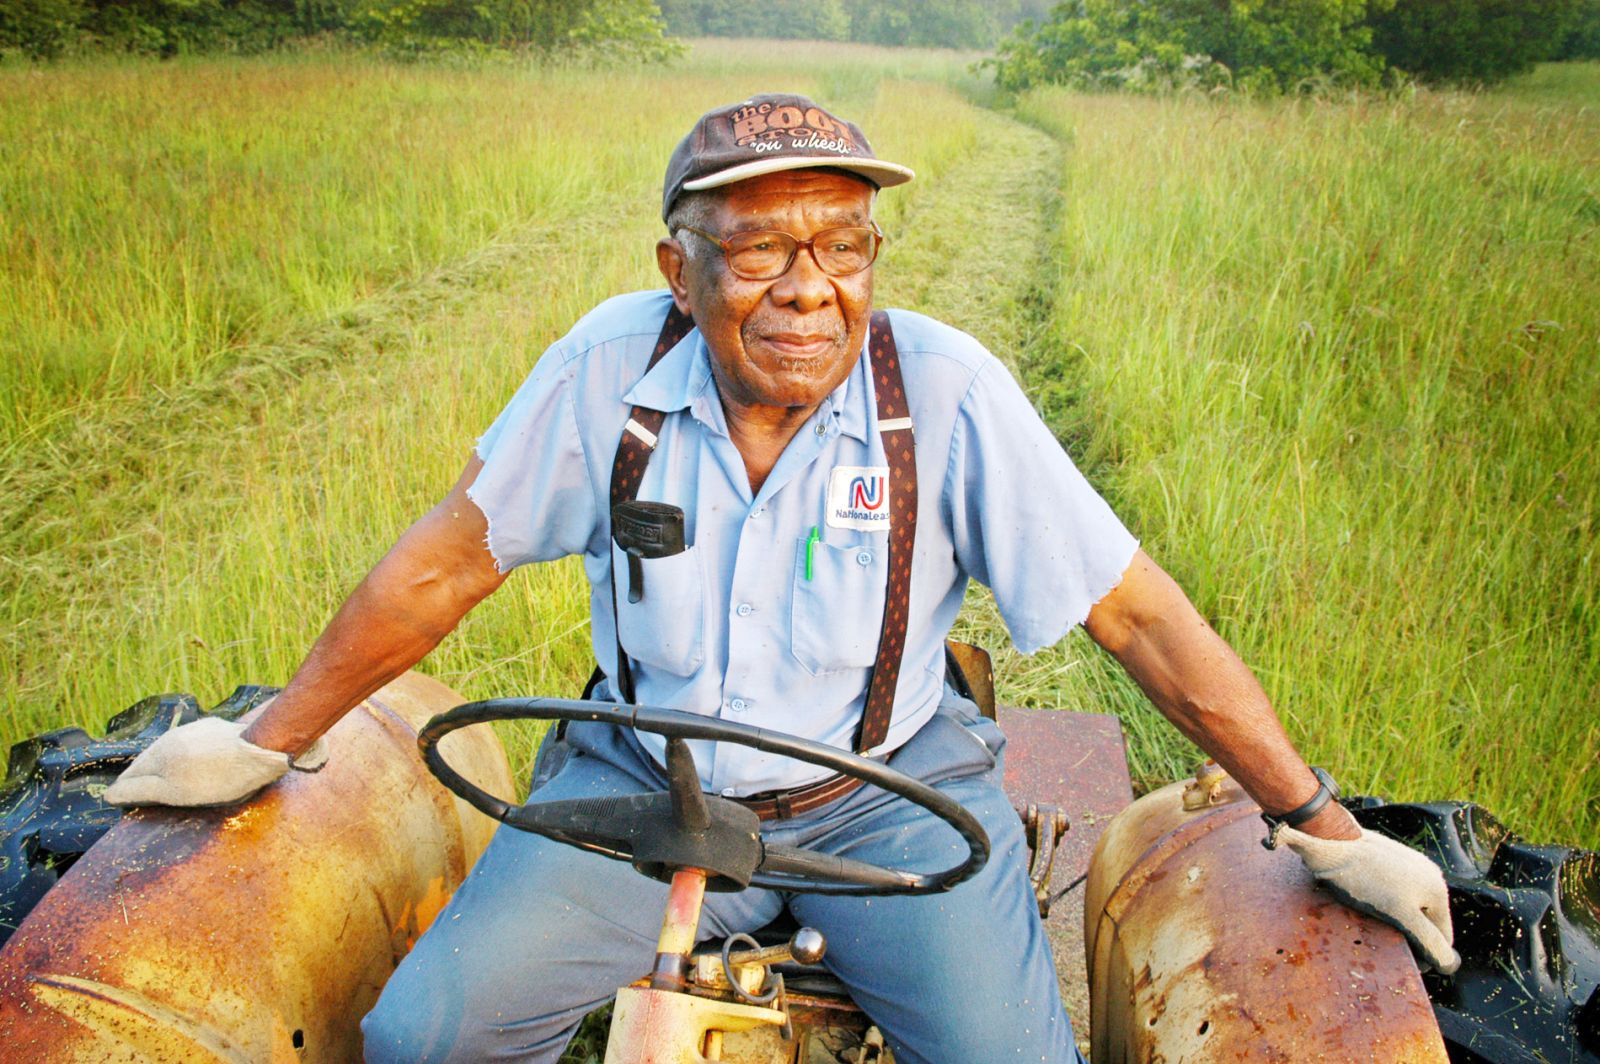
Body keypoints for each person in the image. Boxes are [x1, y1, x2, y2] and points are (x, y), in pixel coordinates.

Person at [107, 93, 1457, 1063]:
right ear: (677, 273)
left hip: (887, 795)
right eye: (759, 253)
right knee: (421, 1034)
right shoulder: (607, 371)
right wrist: (266, 741)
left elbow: (1136, 615)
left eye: (844, 249)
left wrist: (1322, 824)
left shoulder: (945, 390)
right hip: (640, 784)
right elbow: (444, 567)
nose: (810, 289)